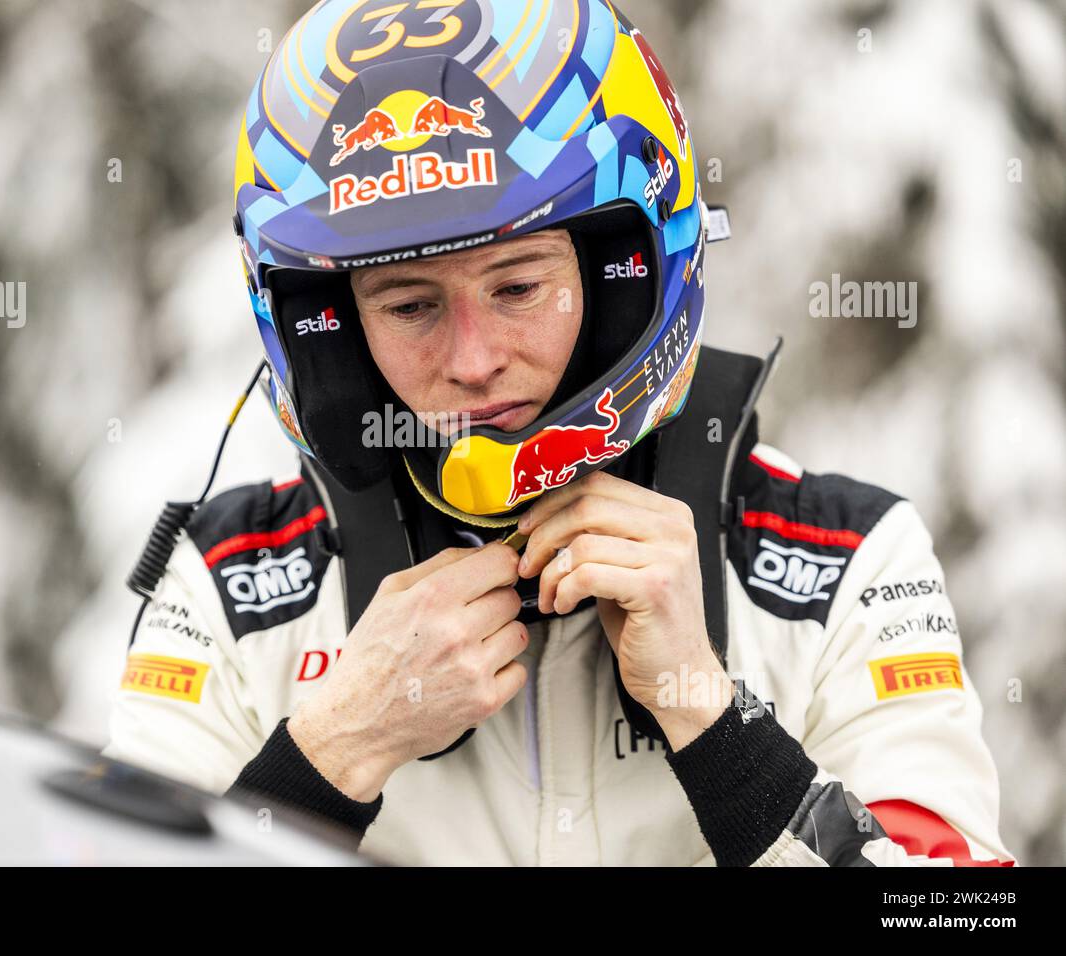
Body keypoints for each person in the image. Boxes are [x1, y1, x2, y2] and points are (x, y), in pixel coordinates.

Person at [104, 0, 1015, 866]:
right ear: (329, 329)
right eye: (412, 304)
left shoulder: (846, 561)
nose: (472, 360)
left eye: (517, 287)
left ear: (626, 272)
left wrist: (711, 717)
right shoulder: (231, 587)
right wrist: (333, 752)